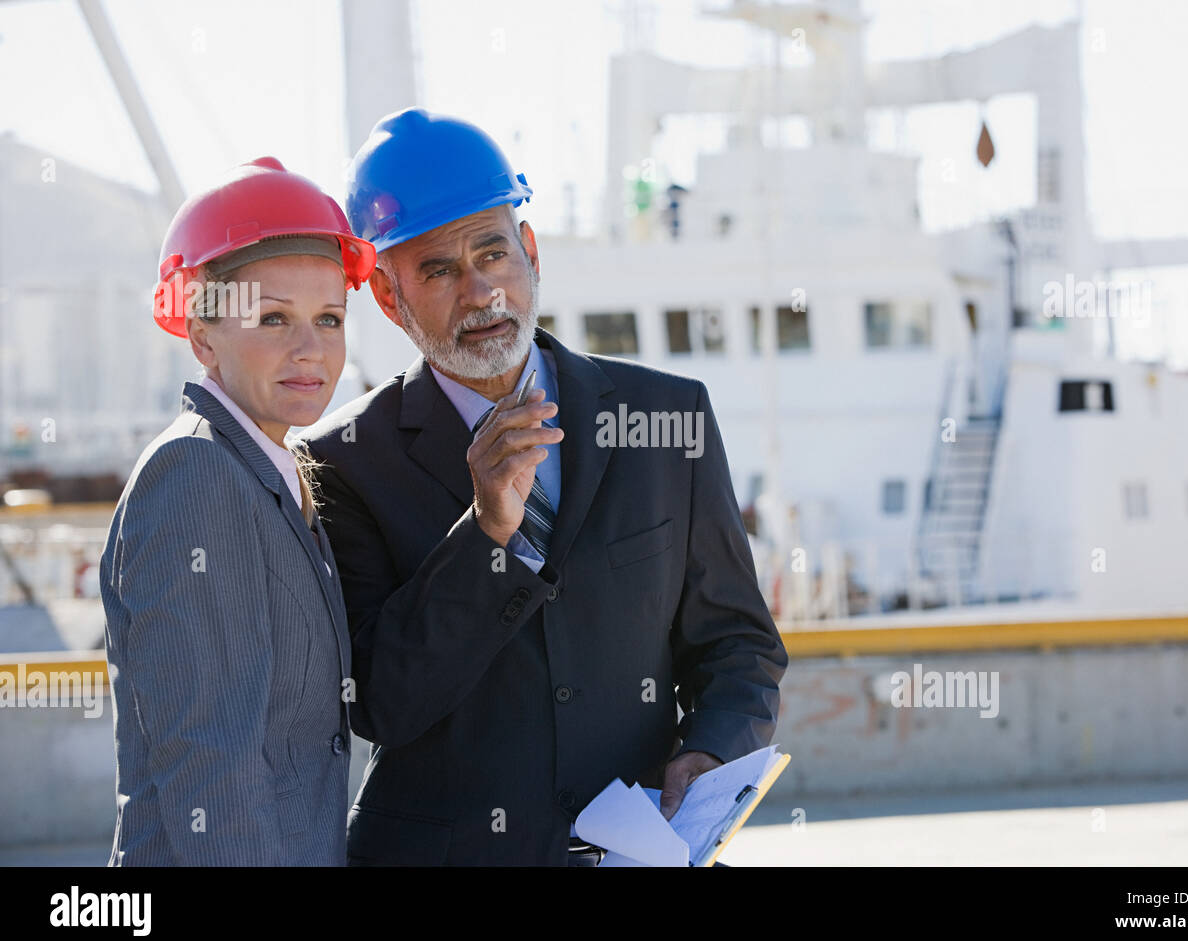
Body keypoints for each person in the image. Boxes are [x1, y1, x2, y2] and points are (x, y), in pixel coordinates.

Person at [298, 110, 787, 866]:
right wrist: (485, 532)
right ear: (390, 301)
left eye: (493, 253)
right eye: (437, 270)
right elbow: (380, 702)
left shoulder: (667, 418)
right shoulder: (343, 460)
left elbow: (738, 645)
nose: (480, 292)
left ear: (528, 253)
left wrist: (714, 752)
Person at [100, 157, 376, 865]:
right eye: (273, 318)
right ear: (202, 337)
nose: (311, 348)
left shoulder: (261, 471)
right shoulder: (195, 474)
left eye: (329, 318)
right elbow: (213, 767)